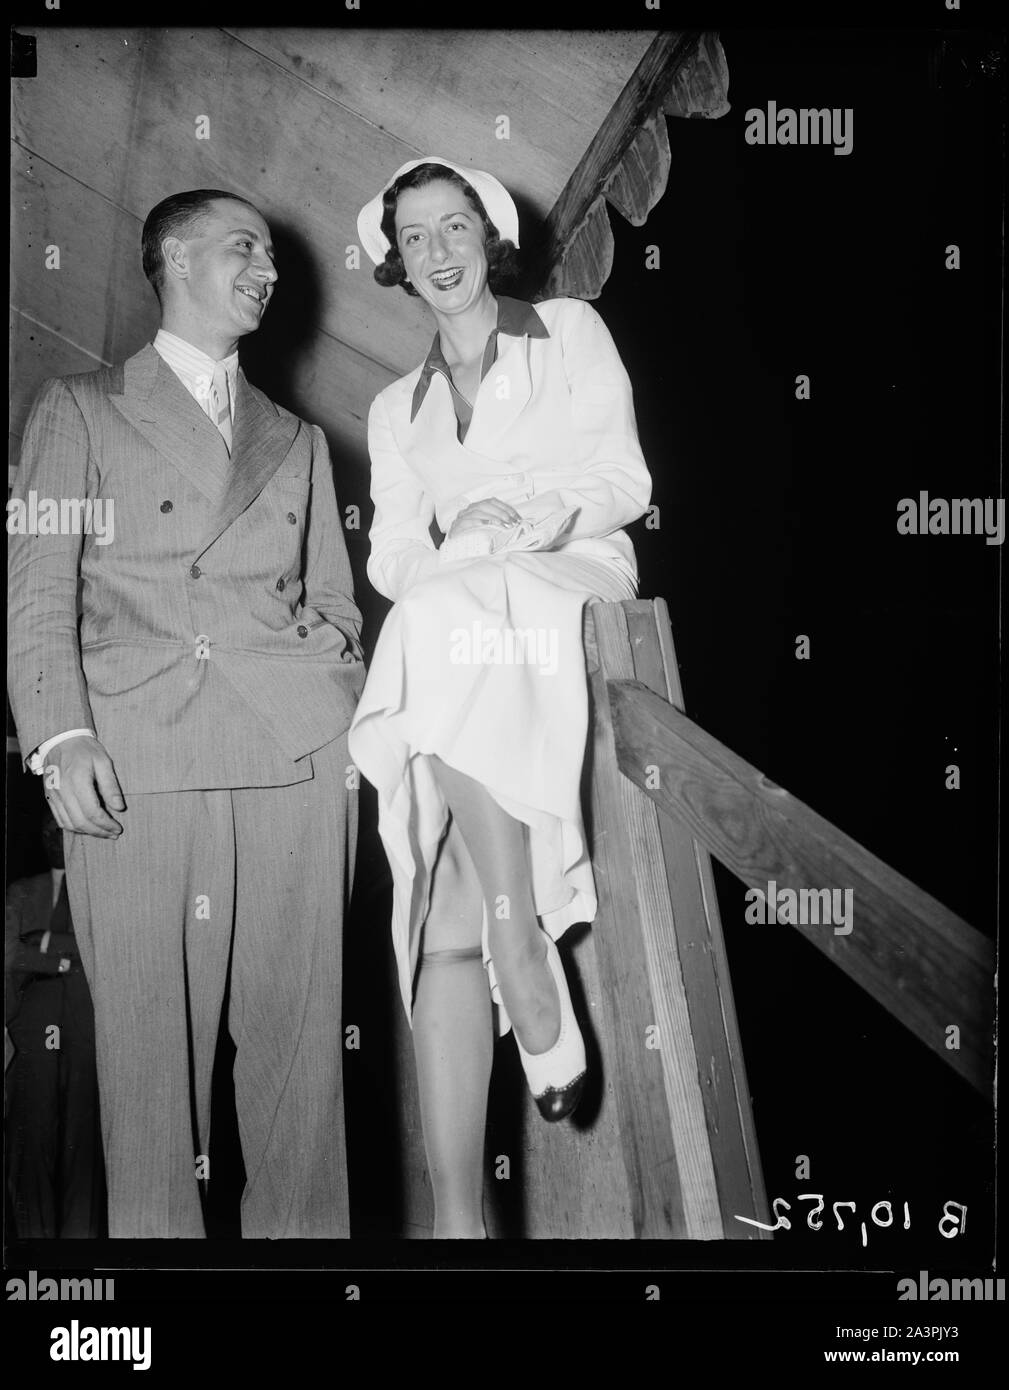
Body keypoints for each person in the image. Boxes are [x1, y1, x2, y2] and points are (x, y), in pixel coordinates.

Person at [7, 189, 365, 1238]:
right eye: (240, 246)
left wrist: (335, 699)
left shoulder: (295, 437)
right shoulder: (76, 406)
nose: (265, 268)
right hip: (136, 755)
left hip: (294, 754)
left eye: (270, 253)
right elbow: (36, 588)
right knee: (149, 1075)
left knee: (305, 1068)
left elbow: (335, 602)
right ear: (170, 258)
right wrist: (59, 734)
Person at [348, 157, 652, 1238]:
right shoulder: (394, 408)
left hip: (573, 569)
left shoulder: (567, 331)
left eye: (453, 227)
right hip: (465, 610)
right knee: (439, 916)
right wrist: (453, 552)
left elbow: (625, 481)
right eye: (414, 235)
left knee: (438, 637)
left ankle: (524, 934)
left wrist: (526, 524)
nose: (436, 251)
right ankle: (454, 1220)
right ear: (395, 258)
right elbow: (389, 553)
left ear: (489, 235)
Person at [6, 814, 106, 1238]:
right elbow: (10, 954)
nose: (54, 839)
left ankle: (79, 1245)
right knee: (34, 1133)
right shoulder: (21, 891)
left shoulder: (105, 890)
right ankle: (35, 1244)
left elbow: (104, 950)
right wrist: (67, 960)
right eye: (46, 832)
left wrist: (43, 943)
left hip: (88, 1021)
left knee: (84, 1137)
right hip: (35, 1017)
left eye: (61, 831)